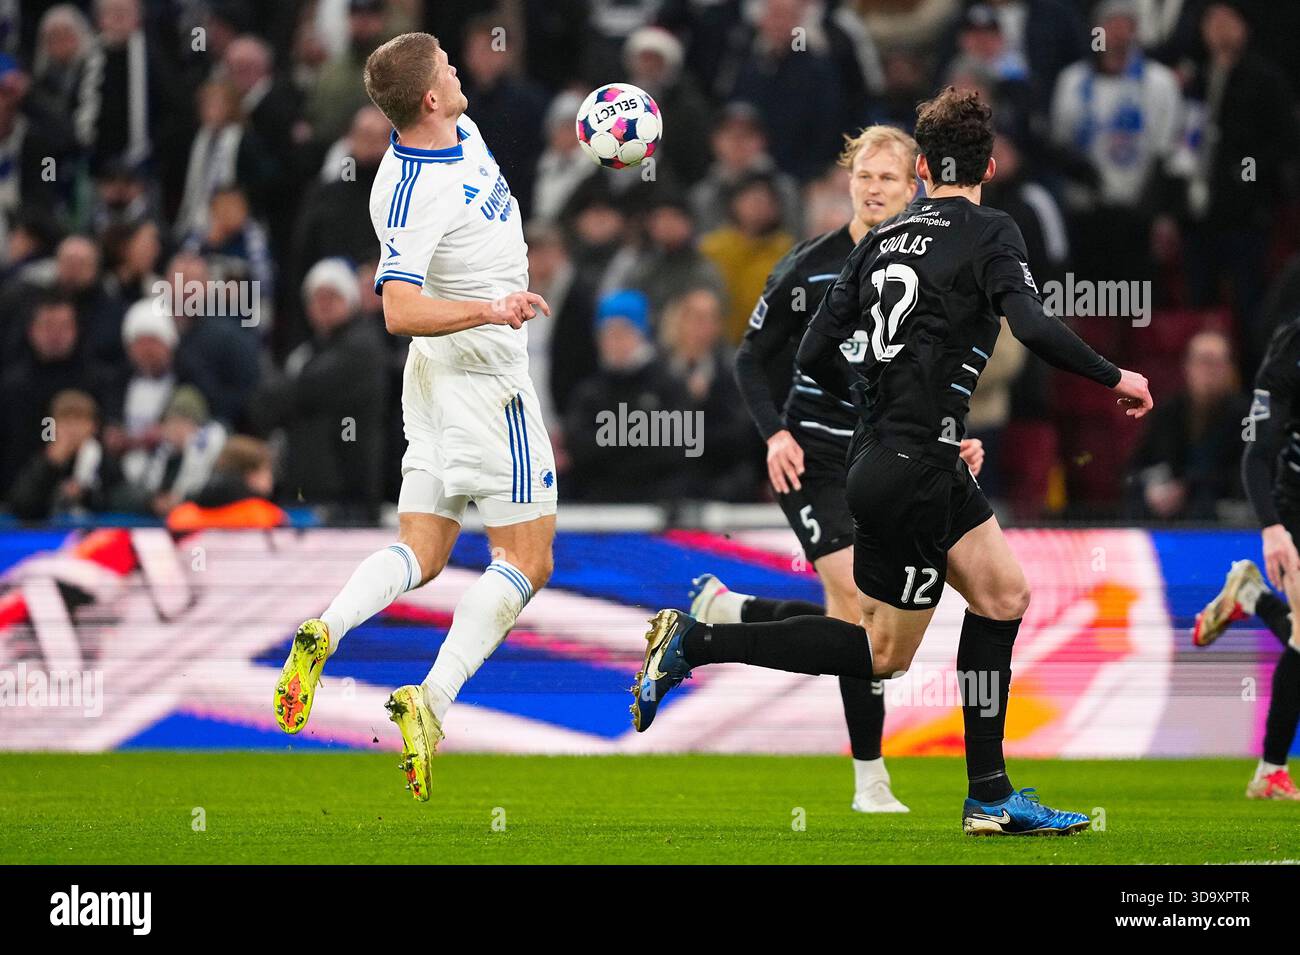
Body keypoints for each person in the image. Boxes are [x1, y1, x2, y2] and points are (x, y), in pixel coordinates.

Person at [631, 88, 1153, 836]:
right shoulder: (991, 228)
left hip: (892, 457)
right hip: (912, 467)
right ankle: (697, 639)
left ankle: (991, 795)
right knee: (879, 652)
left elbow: (811, 353)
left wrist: (888, 404)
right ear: (991, 165)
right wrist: (1117, 376)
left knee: (1003, 594)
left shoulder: (882, 241)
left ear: (922, 169)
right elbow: (1031, 324)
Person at [273, 32, 557, 804]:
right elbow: (396, 308)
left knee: (424, 549)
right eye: (448, 70)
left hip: (434, 382)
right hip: (481, 372)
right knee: (527, 560)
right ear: (431, 97)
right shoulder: (408, 189)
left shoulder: (458, 129)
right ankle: (430, 700)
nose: (461, 72)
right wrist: (490, 308)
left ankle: (325, 628)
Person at [703, 125, 984, 813]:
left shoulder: (929, 266)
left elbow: (929, 374)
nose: (874, 187)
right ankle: (870, 780)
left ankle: (728, 611)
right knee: (863, 608)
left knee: (852, 619)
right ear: (847, 181)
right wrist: (773, 435)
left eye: (888, 177)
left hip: (891, 455)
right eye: (864, 176)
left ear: (915, 183)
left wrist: (953, 437)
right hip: (815, 458)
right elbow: (750, 359)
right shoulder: (810, 265)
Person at [1191, 316, 1300, 800]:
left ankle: (1253, 596)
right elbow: (1258, 455)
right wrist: (1274, 529)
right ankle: (1270, 772)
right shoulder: (1289, 353)